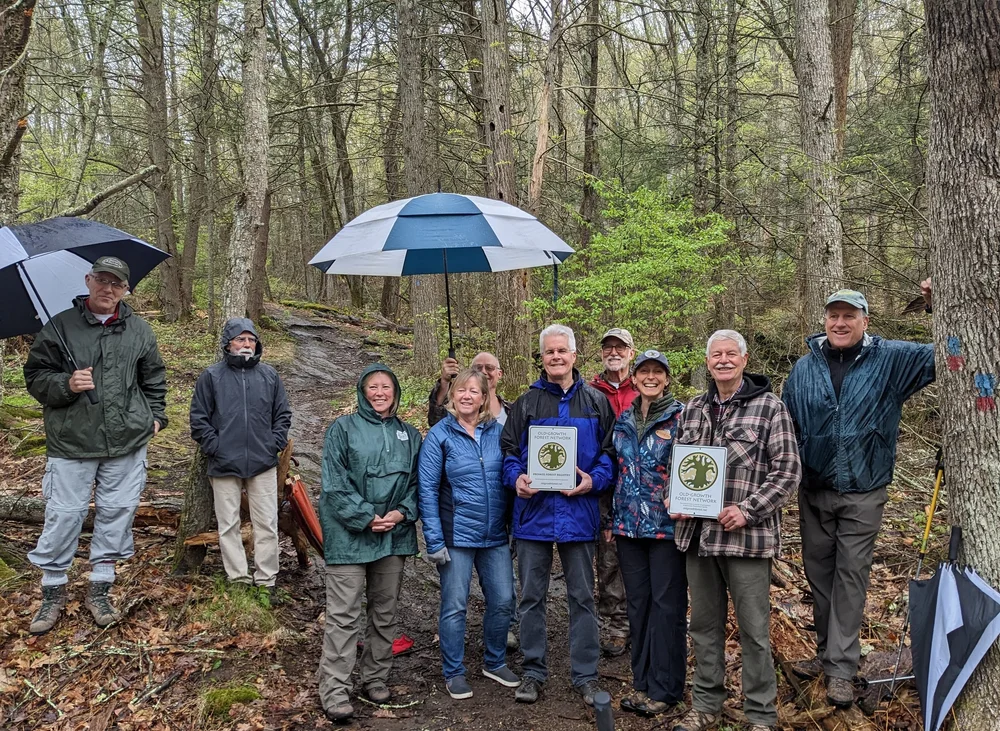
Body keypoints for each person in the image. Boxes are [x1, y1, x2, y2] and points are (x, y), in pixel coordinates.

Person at [782, 285, 935, 707]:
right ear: (825, 321)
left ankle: (842, 670)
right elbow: (785, 429)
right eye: (834, 316)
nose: (840, 323)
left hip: (864, 491)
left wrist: (938, 302)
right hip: (814, 491)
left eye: (850, 316)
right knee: (819, 576)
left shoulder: (890, 359)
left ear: (865, 321)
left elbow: (949, 352)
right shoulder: (803, 369)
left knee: (850, 577)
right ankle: (828, 653)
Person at [23, 256, 167, 634]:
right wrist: (65, 385)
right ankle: (52, 590)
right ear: (88, 281)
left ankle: (100, 587)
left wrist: (156, 417)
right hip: (72, 439)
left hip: (127, 440)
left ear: (125, 289)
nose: (108, 288)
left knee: (117, 511)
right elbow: (36, 377)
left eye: (116, 283)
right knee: (64, 514)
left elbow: (153, 378)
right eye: (102, 280)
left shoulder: (140, 330)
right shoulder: (60, 327)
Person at [670, 330, 801, 731]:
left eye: (731, 354)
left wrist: (748, 510)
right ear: (707, 362)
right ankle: (707, 705)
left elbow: (789, 471)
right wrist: (672, 500)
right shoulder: (693, 408)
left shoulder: (769, 408)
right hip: (698, 537)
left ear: (744, 360)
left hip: (745, 539)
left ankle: (760, 715)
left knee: (754, 631)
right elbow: (678, 466)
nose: (723, 360)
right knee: (704, 627)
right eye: (716, 355)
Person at [501, 324, 617, 707]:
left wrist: (593, 482)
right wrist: (516, 478)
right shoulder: (526, 404)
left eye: (561, 351)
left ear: (574, 355)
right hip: (533, 515)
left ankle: (584, 674)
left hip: (579, 514)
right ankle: (533, 672)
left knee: (582, 597)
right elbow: (508, 453)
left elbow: (609, 456)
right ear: (542, 357)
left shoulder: (596, 402)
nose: (555, 357)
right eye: (549, 352)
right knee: (531, 597)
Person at [317, 364, 422, 723]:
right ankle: (334, 689)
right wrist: (365, 516)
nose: (380, 392)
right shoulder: (342, 429)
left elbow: (417, 485)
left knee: (385, 613)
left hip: (393, 536)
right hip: (349, 537)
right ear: (362, 391)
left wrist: (400, 514)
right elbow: (333, 483)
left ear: (396, 391)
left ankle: (374, 678)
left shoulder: (410, 434)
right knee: (344, 615)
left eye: (386, 387)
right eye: (373, 387)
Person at [418, 369, 520, 700]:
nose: (467, 396)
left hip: (494, 536)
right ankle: (454, 671)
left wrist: (514, 529)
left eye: (474, 391)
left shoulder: (498, 432)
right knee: (455, 605)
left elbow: (511, 479)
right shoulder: (439, 435)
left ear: (484, 397)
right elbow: (427, 490)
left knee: (503, 600)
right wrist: (434, 540)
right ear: (452, 396)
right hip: (456, 536)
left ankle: (494, 661)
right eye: (461, 390)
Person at [607, 349, 687, 717]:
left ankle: (666, 688)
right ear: (634, 377)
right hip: (628, 528)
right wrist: (610, 519)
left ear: (667, 378)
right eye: (644, 372)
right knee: (637, 606)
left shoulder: (682, 418)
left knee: (666, 607)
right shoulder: (623, 419)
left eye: (658, 371)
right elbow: (616, 471)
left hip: (667, 531)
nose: (650, 377)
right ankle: (642, 683)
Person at [189, 318, 292, 602]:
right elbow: (199, 420)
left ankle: (266, 581)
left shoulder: (269, 376)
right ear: (228, 344)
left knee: (267, 523)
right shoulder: (211, 376)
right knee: (228, 525)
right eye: (240, 339)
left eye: (251, 340)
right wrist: (216, 447)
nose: (247, 344)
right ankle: (238, 579)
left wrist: (274, 444)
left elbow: (282, 416)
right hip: (223, 463)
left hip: (262, 462)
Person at [589, 327, 637, 656]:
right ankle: (616, 623)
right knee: (607, 554)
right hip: (603, 482)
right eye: (608, 348)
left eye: (620, 347)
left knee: (639, 551)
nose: (614, 353)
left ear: (631, 352)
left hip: (641, 483)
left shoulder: (648, 383)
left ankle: (640, 617)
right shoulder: (590, 391)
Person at [428, 352, 511, 427]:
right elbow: (435, 420)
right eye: (478, 368)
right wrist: (445, 381)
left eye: (489, 368)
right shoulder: (461, 407)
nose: (483, 372)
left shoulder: (511, 410)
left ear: (499, 374)